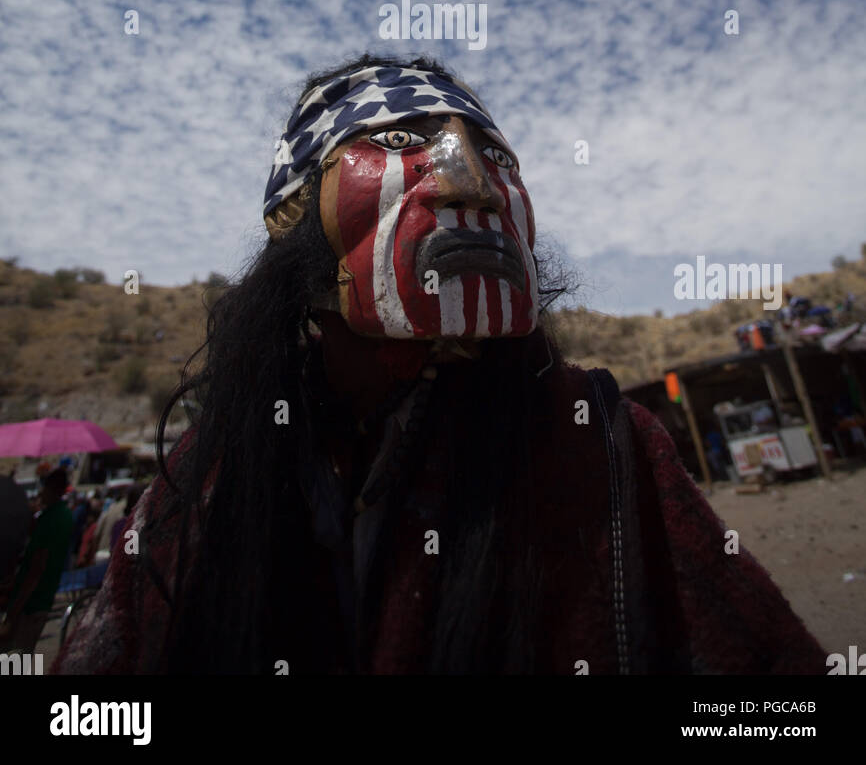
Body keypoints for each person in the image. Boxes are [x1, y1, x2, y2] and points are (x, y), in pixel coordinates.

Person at [53, 55, 827, 676]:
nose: (471, 180)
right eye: (396, 142)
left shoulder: (601, 445)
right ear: (293, 212)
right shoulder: (204, 484)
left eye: (494, 155)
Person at [0, 467, 73, 655]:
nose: (41, 492)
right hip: (43, 599)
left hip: (29, 605)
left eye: (45, 487)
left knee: (14, 656)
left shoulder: (50, 519)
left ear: (53, 489)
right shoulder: (64, 516)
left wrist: (13, 613)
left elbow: (37, 568)